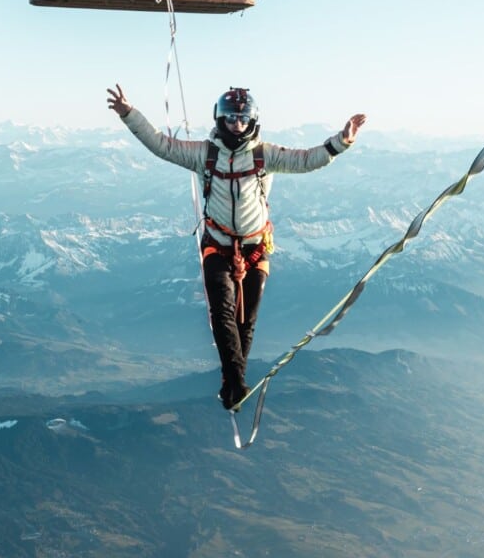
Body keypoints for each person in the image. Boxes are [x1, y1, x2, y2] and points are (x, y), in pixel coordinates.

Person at [106, 84, 366, 409]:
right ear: (220, 119)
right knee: (222, 313)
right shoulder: (205, 154)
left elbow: (305, 160)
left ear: (252, 120)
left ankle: (234, 384)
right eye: (231, 118)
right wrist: (129, 114)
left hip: (255, 248)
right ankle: (235, 384)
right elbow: (162, 145)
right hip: (218, 245)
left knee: (246, 321)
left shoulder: (264, 155)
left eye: (242, 119)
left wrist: (341, 142)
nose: (236, 125)